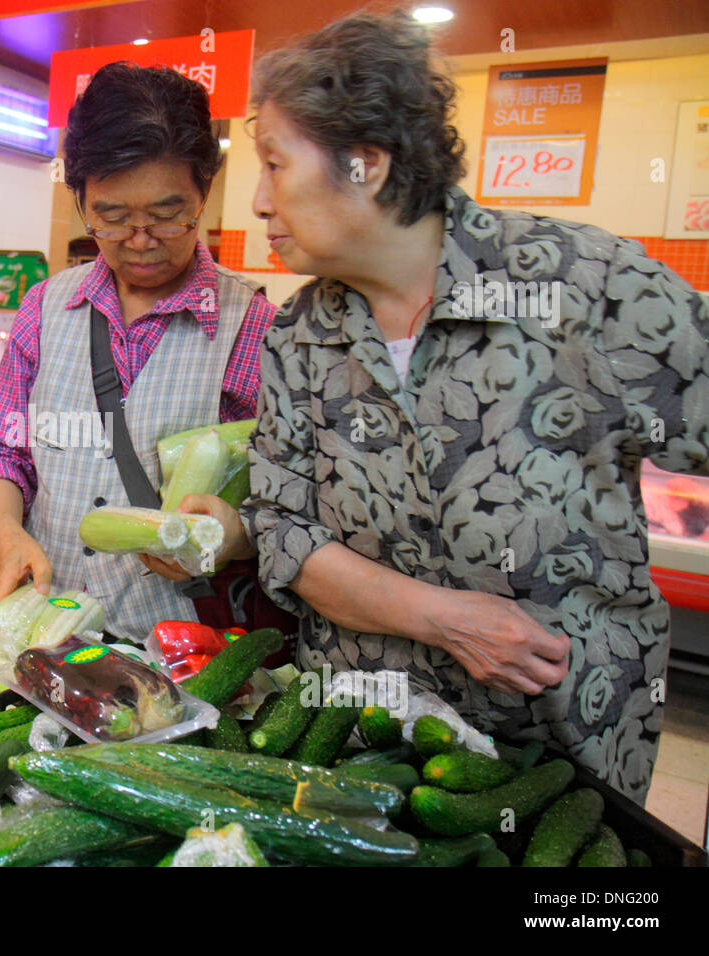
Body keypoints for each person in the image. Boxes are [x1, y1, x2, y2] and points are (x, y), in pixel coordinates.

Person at [192, 11, 708, 801]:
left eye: (272, 163)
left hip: (566, 753)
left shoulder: (584, 285)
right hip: (366, 744)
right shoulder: (299, 335)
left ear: (364, 165)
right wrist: (446, 618)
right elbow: (284, 532)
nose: (257, 200)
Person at [0, 63, 288, 643]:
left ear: (203, 193)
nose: (140, 240)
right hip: (46, 631)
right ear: (80, 197)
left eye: (166, 214)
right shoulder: (46, 306)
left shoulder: (255, 327)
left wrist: (234, 536)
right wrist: (7, 533)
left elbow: (289, 499)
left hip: (180, 650)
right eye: (112, 217)